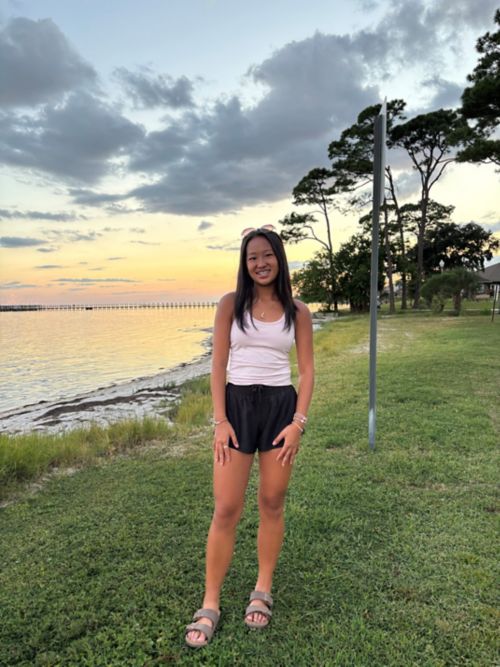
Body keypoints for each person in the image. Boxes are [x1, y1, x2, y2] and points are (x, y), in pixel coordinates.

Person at [185, 225, 314, 648]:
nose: (260, 263)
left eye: (267, 255)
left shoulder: (298, 312)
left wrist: (297, 423)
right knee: (226, 508)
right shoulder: (229, 305)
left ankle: (262, 588)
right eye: (252, 257)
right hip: (237, 408)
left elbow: (308, 372)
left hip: (280, 408)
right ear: (245, 264)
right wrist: (220, 421)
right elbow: (218, 366)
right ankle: (211, 602)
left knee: (272, 503)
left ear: (279, 258)